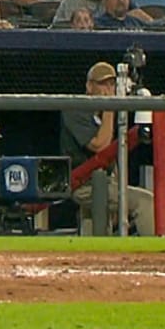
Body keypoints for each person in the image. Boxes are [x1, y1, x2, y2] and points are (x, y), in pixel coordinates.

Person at [61, 62, 154, 236]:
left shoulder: (107, 112)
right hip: (82, 184)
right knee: (145, 201)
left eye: (112, 84)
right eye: (103, 84)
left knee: (94, 228)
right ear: (89, 86)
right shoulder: (75, 108)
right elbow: (100, 146)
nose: (108, 89)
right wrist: (110, 108)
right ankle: (157, 255)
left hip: (105, 181)